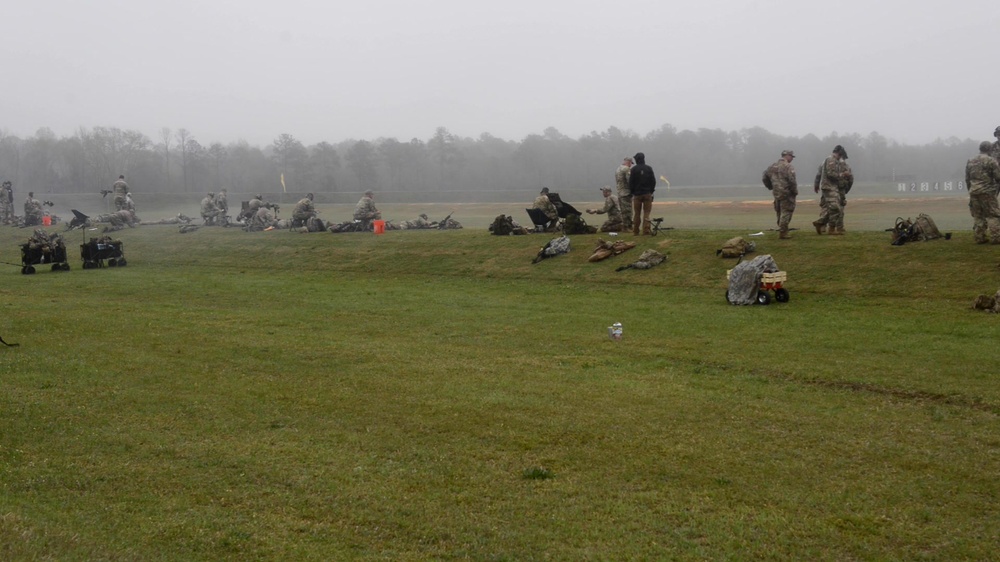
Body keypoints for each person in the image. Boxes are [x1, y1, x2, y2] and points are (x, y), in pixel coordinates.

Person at [966, 140, 1000, 244]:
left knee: (978, 216)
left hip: (974, 191)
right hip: (987, 192)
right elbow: (998, 177)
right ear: (989, 149)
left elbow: (967, 179)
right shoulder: (991, 161)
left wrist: (971, 190)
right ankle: (996, 238)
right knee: (993, 215)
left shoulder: (970, 160)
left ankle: (980, 238)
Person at [812, 145, 851, 235]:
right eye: (841, 155)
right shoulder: (831, 160)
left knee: (835, 209)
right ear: (839, 153)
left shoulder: (834, 161)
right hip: (829, 187)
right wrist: (843, 174)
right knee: (835, 208)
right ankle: (828, 227)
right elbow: (830, 174)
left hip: (833, 187)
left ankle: (822, 224)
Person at [763, 150, 798, 239]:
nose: (792, 159)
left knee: (779, 211)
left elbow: (764, 177)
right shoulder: (788, 166)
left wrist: (770, 187)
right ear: (787, 156)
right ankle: (783, 232)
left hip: (776, 192)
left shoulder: (772, 166)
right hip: (787, 193)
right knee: (787, 211)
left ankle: (782, 228)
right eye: (791, 157)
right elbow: (792, 181)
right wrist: (795, 191)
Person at [628, 152, 656, 235]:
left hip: (637, 195)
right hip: (647, 194)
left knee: (637, 213)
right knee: (646, 213)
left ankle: (636, 231)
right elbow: (653, 181)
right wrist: (651, 191)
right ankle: (646, 230)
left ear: (637, 159)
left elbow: (631, 183)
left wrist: (633, 192)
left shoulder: (633, 169)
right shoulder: (649, 168)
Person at [615, 156, 634, 230]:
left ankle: (625, 226)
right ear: (629, 162)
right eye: (630, 163)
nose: (631, 165)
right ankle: (628, 227)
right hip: (626, 192)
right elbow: (629, 180)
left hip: (620, 192)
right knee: (628, 211)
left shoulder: (618, 169)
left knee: (623, 210)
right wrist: (633, 190)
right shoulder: (626, 169)